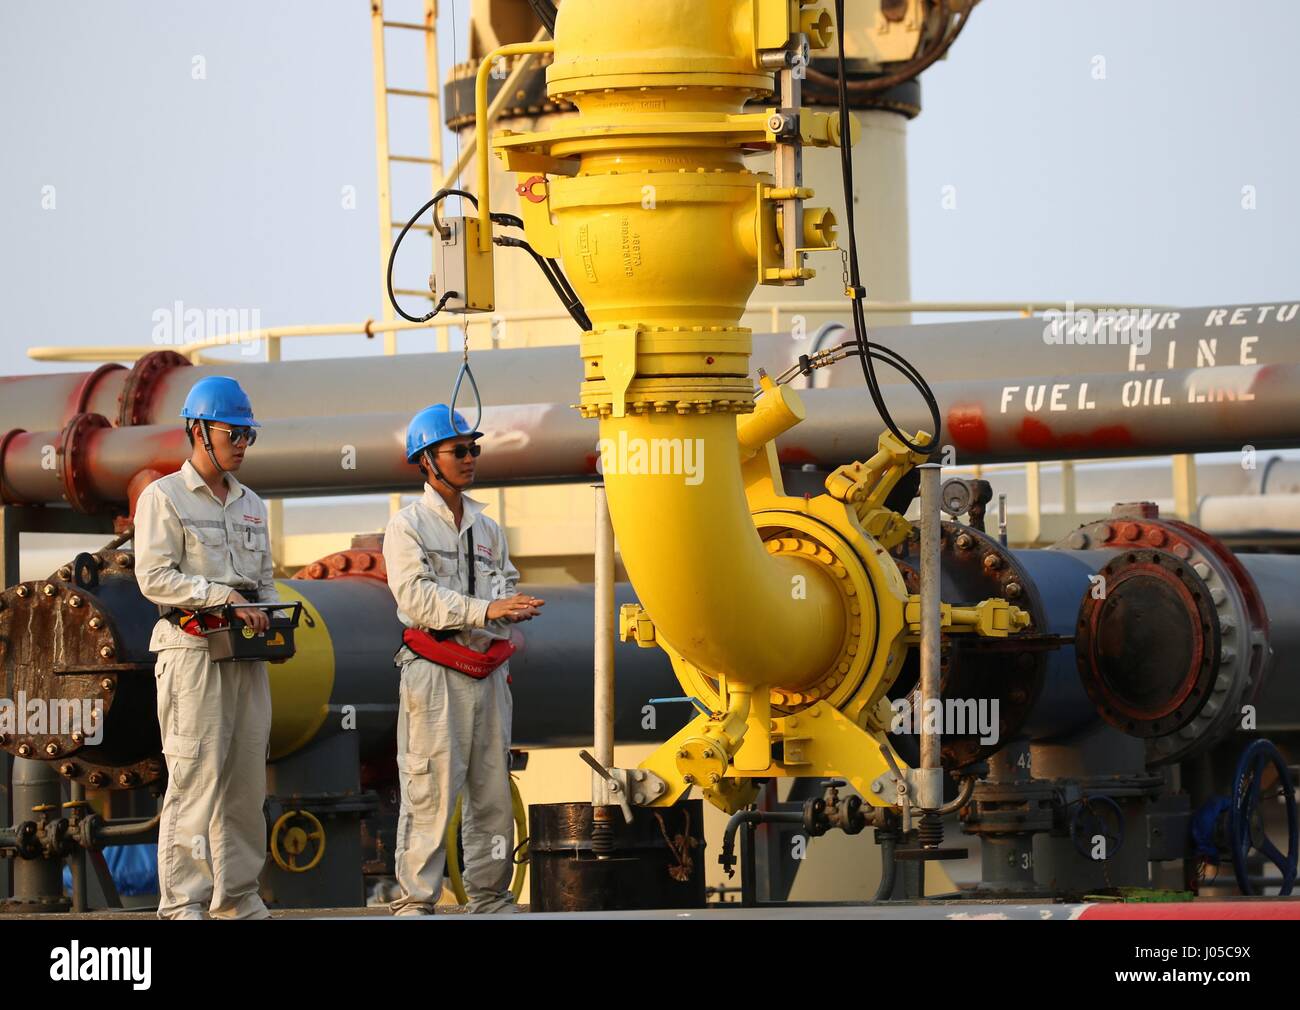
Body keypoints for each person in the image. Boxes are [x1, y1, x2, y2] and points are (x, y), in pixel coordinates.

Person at [384, 404, 544, 915]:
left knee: (491, 790)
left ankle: (491, 898)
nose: (471, 457)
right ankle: (417, 901)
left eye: (474, 448)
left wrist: (510, 608)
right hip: (434, 673)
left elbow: (505, 582)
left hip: (488, 673)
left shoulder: (488, 528)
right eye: (460, 450)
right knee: (430, 788)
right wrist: (489, 609)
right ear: (427, 460)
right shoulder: (406, 527)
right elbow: (415, 599)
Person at [134, 375, 276, 920]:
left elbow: (262, 579)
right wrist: (222, 597)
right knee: (195, 778)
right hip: (191, 652)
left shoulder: (251, 505)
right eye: (232, 432)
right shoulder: (163, 497)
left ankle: (237, 896)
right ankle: (183, 904)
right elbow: (154, 578)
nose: (242, 443)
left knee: (244, 781)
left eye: (248, 435)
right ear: (197, 430)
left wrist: (267, 609)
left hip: (244, 654)